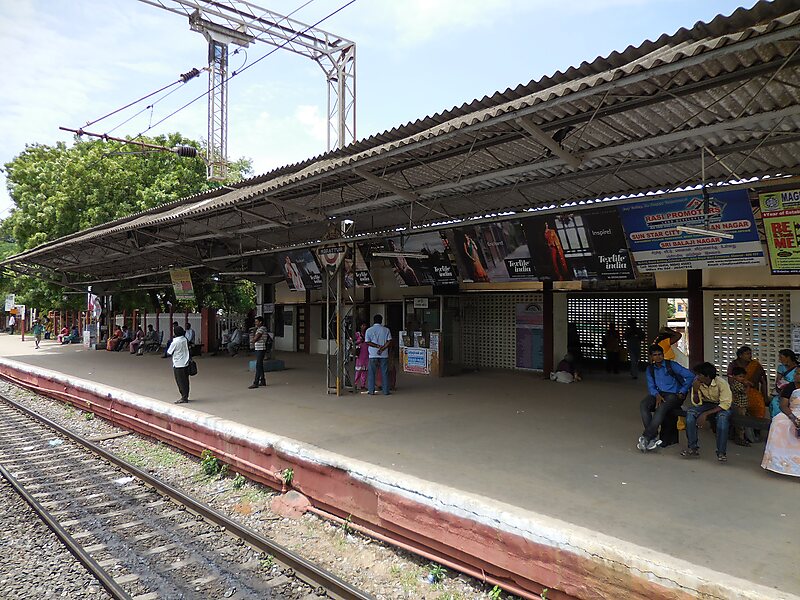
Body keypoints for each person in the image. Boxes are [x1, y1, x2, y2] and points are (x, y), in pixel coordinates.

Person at [639, 345, 694, 451]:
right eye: (655, 355)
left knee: (662, 407)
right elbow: (651, 386)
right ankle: (653, 436)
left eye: (660, 354)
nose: (658, 357)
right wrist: (656, 395)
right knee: (644, 405)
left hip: (674, 395)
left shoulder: (672, 365)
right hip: (659, 394)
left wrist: (682, 391)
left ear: (663, 355)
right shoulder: (650, 369)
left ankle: (647, 437)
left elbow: (690, 376)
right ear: (651, 357)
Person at [682, 362, 733, 462]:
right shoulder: (697, 382)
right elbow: (697, 403)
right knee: (690, 413)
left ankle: (721, 452)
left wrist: (705, 414)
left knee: (722, 419)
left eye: (699, 374)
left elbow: (725, 404)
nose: (697, 377)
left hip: (721, 406)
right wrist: (695, 391)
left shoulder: (721, 383)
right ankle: (692, 448)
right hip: (707, 404)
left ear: (707, 376)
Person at [762, 383, 800, 478]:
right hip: (792, 412)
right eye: (796, 374)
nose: (796, 376)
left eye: (798, 375)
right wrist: (794, 419)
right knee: (778, 422)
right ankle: (778, 463)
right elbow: (783, 406)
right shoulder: (791, 387)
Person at [726, 345, 768, 420]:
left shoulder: (755, 365)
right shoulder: (733, 365)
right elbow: (731, 379)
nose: (750, 356)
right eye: (747, 354)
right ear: (740, 355)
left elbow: (763, 381)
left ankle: (756, 424)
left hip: (753, 391)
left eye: (750, 353)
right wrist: (742, 383)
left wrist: (765, 397)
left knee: (758, 404)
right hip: (737, 391)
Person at [365, 314, 392, 396]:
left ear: (373, 321)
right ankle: (386, 391)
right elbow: (389, 341)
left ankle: (371, 390)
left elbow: (367, 342)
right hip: (384, 354)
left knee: (371, 373)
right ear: (381, 320)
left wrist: (377, 346)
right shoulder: (386, 330)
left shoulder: (369, 330)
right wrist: (382, 348)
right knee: (384, 372)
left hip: (373, 354)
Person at [728, 366, 752, 446]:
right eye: (740, 376)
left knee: (740, 423)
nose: (742, 378)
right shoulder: (737, 384)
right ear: (734, 376)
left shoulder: (739, 383)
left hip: (742, 406)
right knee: (740, 424)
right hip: (739, 407)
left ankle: (738, 437)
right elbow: (745, 392)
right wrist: (747, 386)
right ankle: (740, 439)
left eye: (743, 377)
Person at [770, 349, 798, 418]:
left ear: (788, 357)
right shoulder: (781, 367)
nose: (779, 359)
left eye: (781, 357)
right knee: (775, 402)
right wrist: (780, 391)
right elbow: (778, 381)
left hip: (795, 390)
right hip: (784, 391)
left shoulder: (798, 368)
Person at [167, 325, 190, 404]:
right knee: (185, 381)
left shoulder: (175, 342)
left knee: (180, 381)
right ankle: (186, 395)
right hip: (186, 362)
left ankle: (184, 397)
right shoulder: (185, 339)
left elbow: (169, 352)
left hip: (178, 364)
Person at [248, 316, 269, 389]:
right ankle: (263, 380)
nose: (255, 323)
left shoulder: (262, 329)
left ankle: (256, 382)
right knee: (260, 365)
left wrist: (252, 339)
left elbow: (256, 338)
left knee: (258, 366)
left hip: (261, 348)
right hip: (258, 348)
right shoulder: (259, 329)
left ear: (260, 322)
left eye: (257, 322)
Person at [353, 323, 370, 390]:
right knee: (358, 370)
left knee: (365, 370)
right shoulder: (357, 334)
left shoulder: (367, 334)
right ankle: (355, 384)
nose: (364, 327)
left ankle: (363, 385)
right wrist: (359, 341)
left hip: (367, 353)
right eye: (362, 325)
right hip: (360, 354)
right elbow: (352, 341)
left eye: (365, 325)